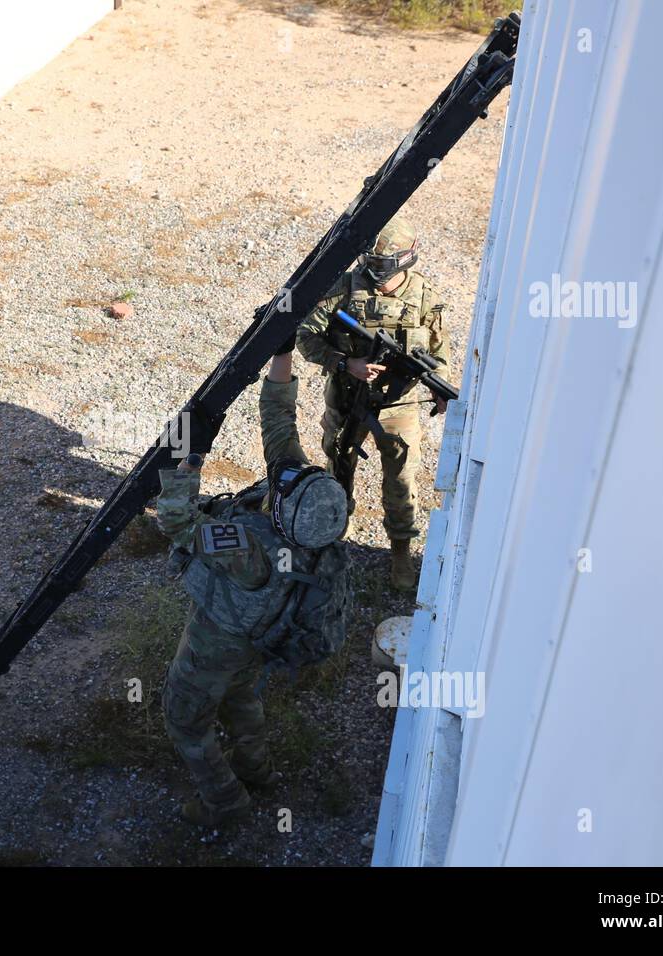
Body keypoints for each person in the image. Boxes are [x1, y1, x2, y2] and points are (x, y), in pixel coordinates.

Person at [156, 347, 349, 826]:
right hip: (262, 636)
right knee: (241, 696)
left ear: (282, 512)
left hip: (218, 639)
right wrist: (281, 353)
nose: (284, 471)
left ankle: (225, 802)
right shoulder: (312, 514)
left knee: (184, 720)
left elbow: (176, 521)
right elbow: (279, 420)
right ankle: (256, 770)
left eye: (286, 482)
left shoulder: (248, 548)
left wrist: (189, 460)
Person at [295, 215, 451, 591]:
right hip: (349, 399)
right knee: (338, 472)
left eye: (382, 265)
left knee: (400, 480)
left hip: (399, 405)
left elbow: (439, 354)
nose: (374, 272)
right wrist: (346, 363)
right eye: (370, 263)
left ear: (404, 259)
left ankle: (400, 553)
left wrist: (439, 389)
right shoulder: (346, 289)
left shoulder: (425, 298)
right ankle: (331, 543)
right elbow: (306, 336)